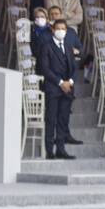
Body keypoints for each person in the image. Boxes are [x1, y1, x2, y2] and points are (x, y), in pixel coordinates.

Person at [40, 18, 77, 161]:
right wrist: (60, 82)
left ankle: (61, 149)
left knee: (63, 120)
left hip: (67, 90)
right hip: (53, 88)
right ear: (53, 30)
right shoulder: (46, 46)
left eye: (63, 29)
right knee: (51, 119)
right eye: (58, 28)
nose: (60, 31)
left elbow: (74, 67)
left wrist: (70, 82)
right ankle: (50, 150)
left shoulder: (68, 46)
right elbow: (45, 68)